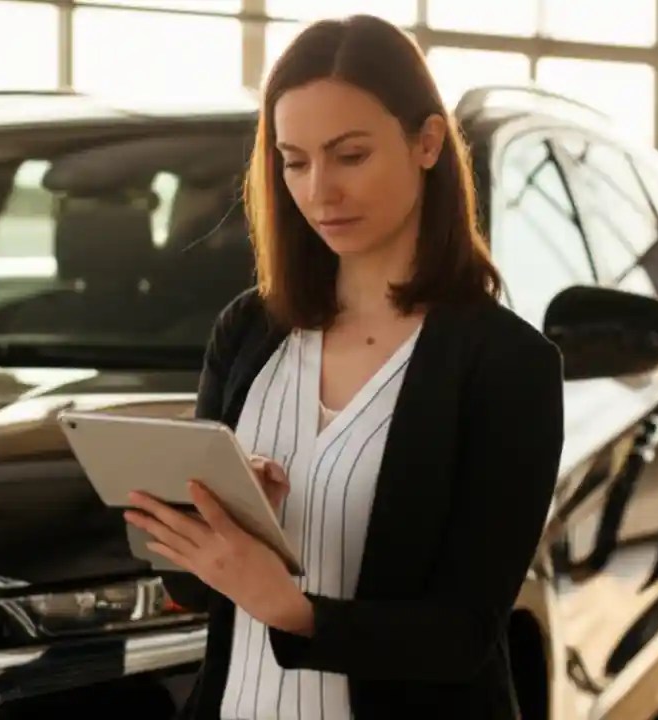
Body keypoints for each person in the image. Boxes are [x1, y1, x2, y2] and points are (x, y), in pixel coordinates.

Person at [121, 14, 565, 719]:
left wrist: (291, 608)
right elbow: (202, 591)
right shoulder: (248, 331)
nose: (319, 190)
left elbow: (463, 636)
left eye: (349, 155)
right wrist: (229, 524)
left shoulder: (507, 365)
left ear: (425, 142)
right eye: (294, 161)